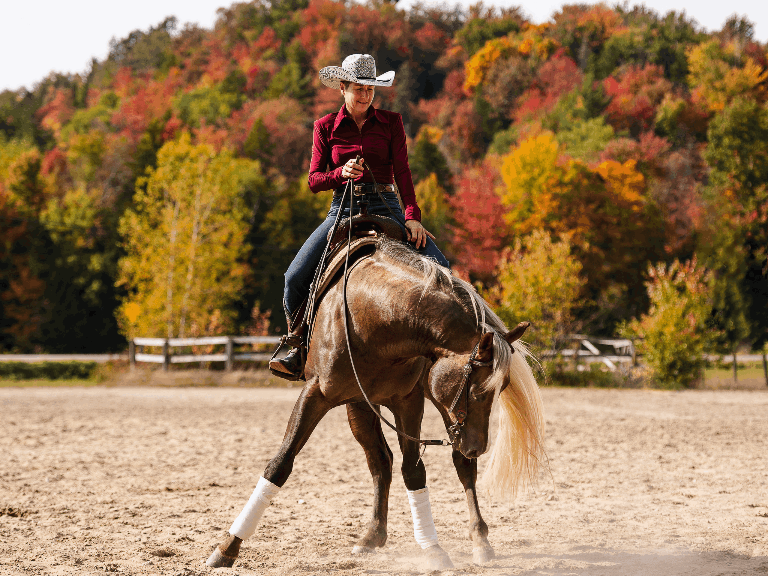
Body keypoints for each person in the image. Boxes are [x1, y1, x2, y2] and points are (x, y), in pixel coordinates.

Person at [269, 53, 450, 380]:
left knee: (442, 267)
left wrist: (412, 216)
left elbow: (403, 172)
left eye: (370, 88)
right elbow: (313, 181)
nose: (365, 95)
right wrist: (339, 173)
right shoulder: (324, 126)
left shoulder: (392, 122)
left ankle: (448, 354)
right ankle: (297, 344)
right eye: (358, 88)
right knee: (293, 277)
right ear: (343, 87)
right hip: (343, 208)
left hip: (388, 205)